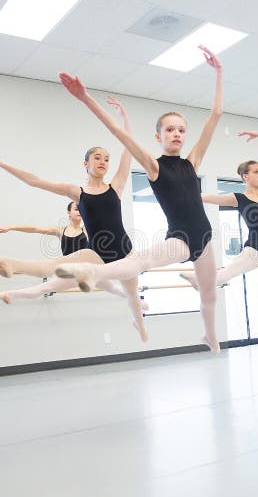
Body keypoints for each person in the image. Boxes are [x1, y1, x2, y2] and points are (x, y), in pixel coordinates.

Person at [54, 45, 223, 353]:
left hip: (206, 238)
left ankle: (210, 336)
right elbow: (118, 133)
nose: (177, 134)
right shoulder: (154, 166)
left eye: (181, 130)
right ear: (158, 136)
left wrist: (219, 73)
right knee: (140, 261)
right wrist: (85, 97)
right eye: (170, 129)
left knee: (210, 295)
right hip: (182, 239)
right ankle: (92, 272)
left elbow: (215, 116)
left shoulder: (192, 162)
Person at [0, 97, 148, 341]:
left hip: (125, 252)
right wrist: (0, 163)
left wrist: (125, 118)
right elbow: (34, 181)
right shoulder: (76, 192)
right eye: (97, 157)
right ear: (86, 163)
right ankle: (12, 265)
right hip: (96, 252)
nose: (103, 162)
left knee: (132, 295)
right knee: (55, 266)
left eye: (107, 158)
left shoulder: (116, 186)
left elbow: (129, 148)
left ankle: (140, 325)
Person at [181, 131, 258, 332]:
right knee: (228, 273)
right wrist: (180, 193)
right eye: (256, 172)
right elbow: (205, 197)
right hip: (255, 249)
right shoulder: (238, 198)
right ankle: (199, 281)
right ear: (245, 176)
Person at [0, 201, 88, 257]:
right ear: (68, 212)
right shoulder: (60, 231)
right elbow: (34, 229)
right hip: (69, 271)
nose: (79, 212)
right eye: (76, 209)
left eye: (81, 210)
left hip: (85, 271)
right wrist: (11, 227)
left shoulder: (86, 230)